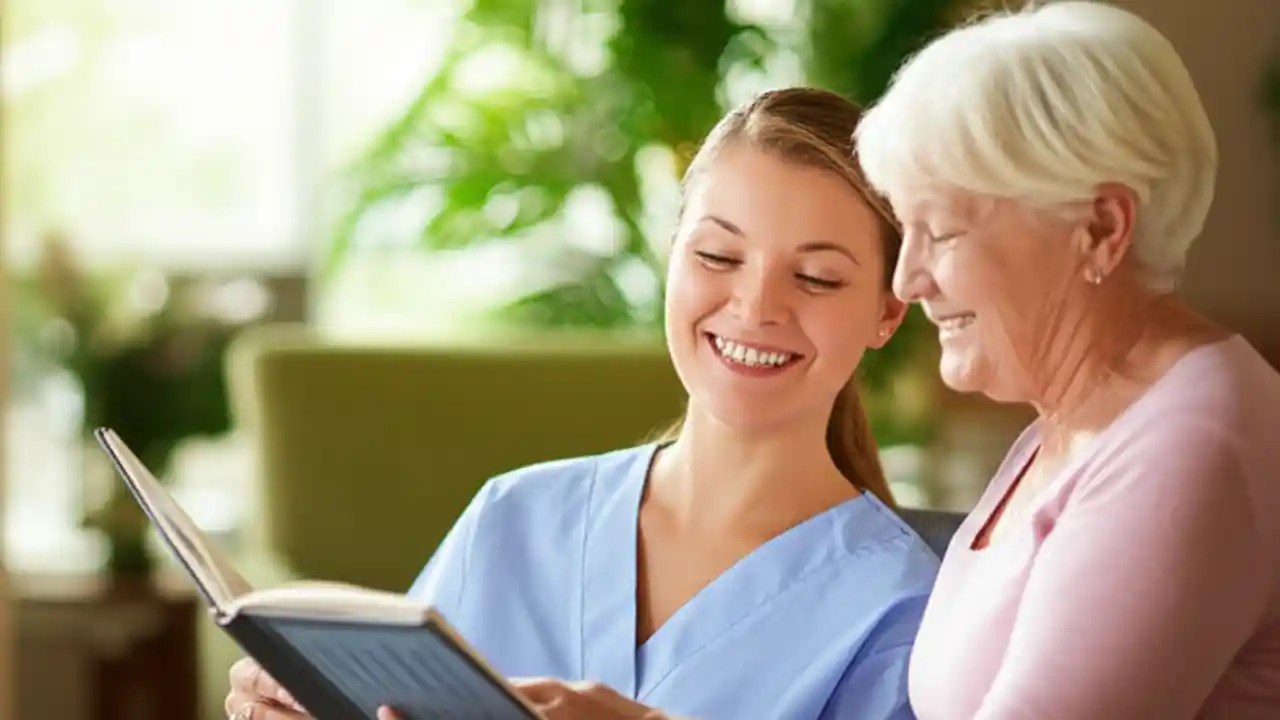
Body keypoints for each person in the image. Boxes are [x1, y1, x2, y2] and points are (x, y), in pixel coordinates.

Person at [223, 86, 940, 720]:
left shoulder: (902, 610)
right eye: (718, 258)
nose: (755, 306)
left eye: (816, 277)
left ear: (888, 311)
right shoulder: (514, 519)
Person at [848, 2, 1280, 718]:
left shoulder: (1190, 445)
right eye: (908, 231)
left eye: (945, 233)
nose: (907, 281)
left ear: (1101, 228)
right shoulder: (1080, 421)